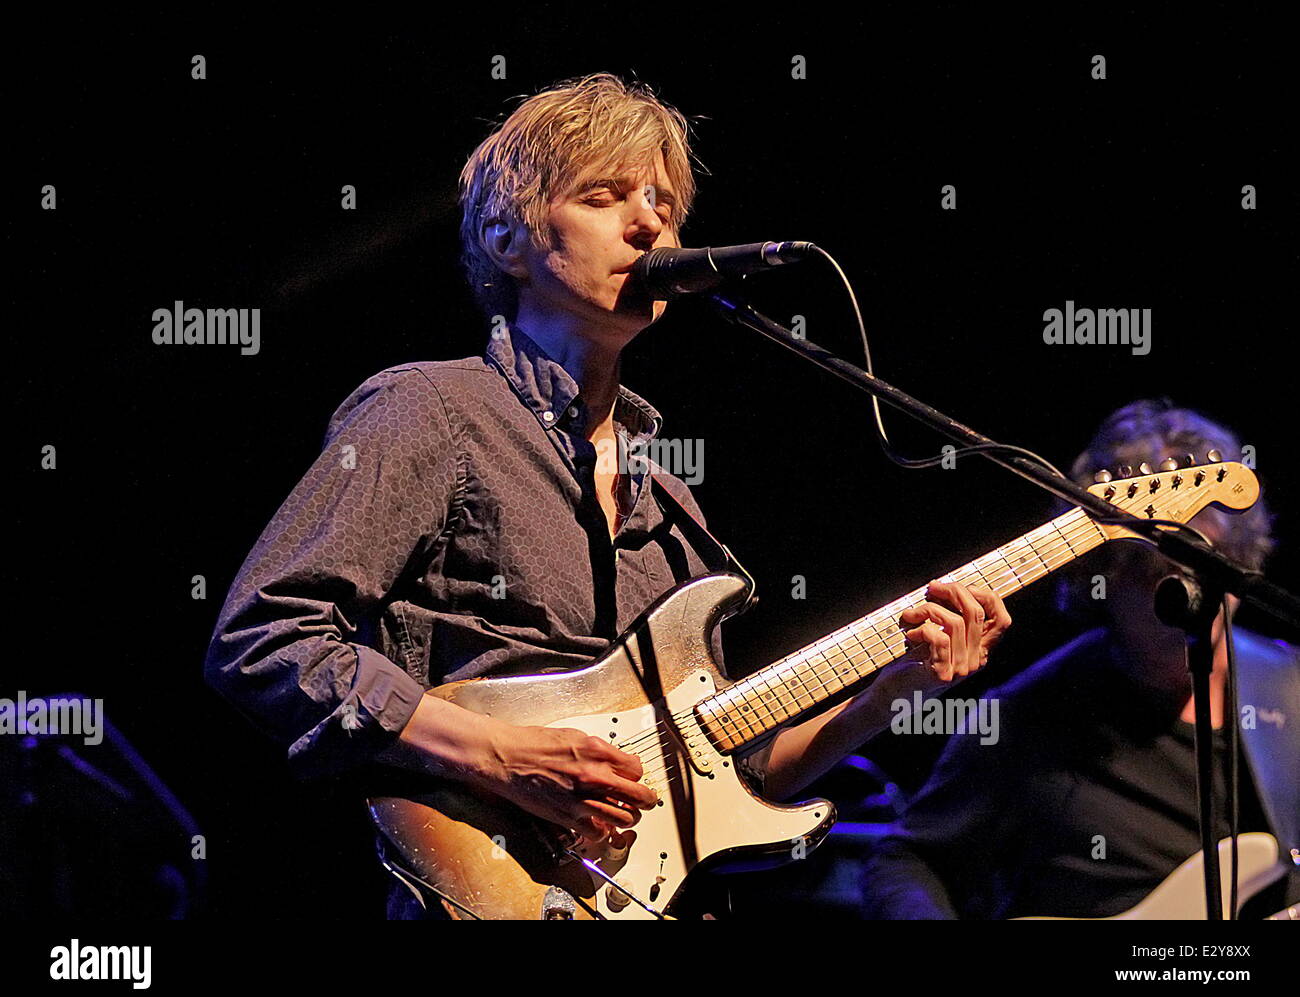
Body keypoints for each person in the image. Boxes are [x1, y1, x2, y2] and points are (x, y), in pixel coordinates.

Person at [203, 72, 1011, 918]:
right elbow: (262, 634)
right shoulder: (432, 411)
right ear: (506, 238)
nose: (650, 221)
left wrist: (893, 693)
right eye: (605, 195)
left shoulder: (671, 509)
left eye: (662, 202)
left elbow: (724, 776)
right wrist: (498, 752)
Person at [859, 399, 1300, 919]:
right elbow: (908, 861)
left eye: (1204, 564)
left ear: (1240, 564)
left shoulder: (1291, 691)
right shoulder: (1030, 714)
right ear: (1100, 577)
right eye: (1145, 565)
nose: (1178, 591)